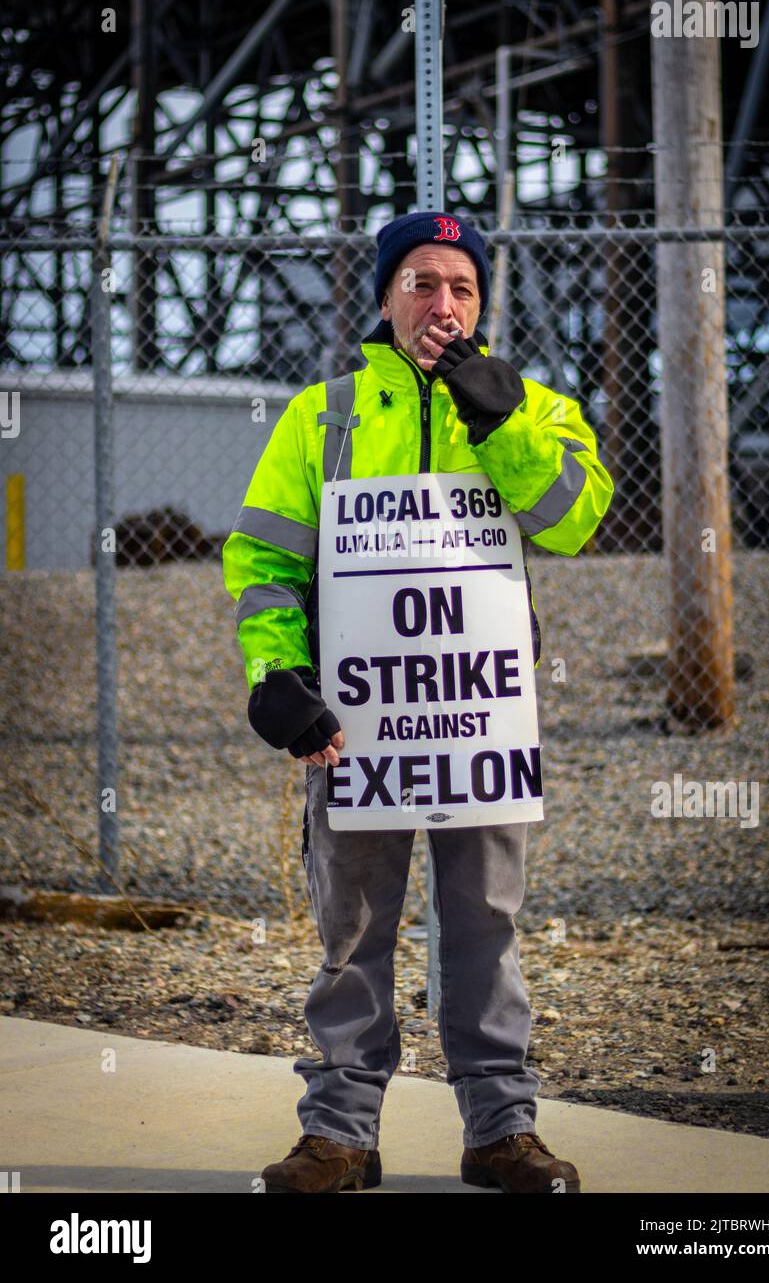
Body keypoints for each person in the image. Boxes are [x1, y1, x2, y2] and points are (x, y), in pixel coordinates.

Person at [222, 210, 614, 1193]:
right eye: (422, 283)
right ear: (388, 294)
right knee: (351, 932)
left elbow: (573, 523)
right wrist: (277, 676)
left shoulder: (537, 408)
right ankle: (338, 1137)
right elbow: (266, 560)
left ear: (480, 303)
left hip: (476, 723)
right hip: (352, 727)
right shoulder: (323, 414)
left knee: (484, 927)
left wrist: (500, 419)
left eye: (461, 288)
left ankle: (500, 1135)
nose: (442, 304)